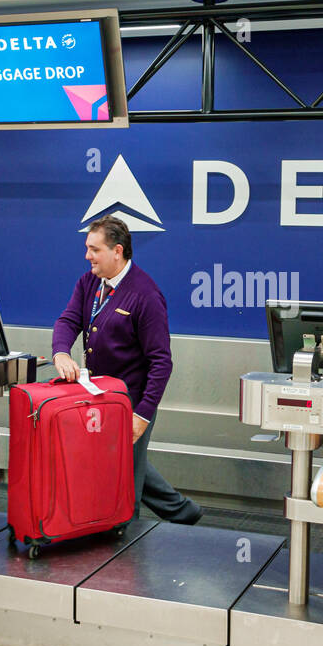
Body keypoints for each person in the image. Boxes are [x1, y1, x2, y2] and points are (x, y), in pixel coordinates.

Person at [52, 214, 202, 525]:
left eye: (94, 249)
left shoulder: (146, 295)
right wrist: (61, 353)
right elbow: (68, 321)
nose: (87, 256)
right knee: (125, 460)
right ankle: (184, 512)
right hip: (99, 394)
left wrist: (142, 415)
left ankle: (123, 538)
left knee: (123, 473)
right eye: (87, 248)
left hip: (130, 400)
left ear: (117, 251)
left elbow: (162, 362)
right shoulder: (89, 282)